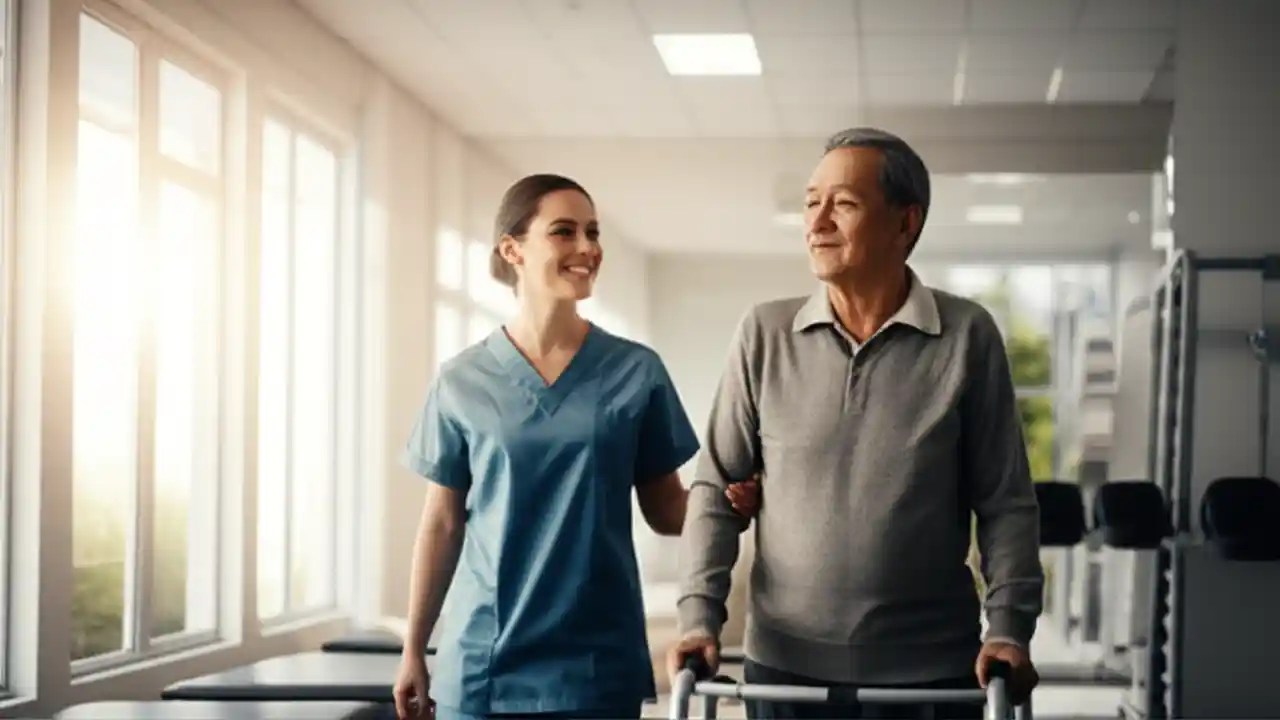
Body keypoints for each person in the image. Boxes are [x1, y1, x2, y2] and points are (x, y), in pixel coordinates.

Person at [667, 128, 1044, 719]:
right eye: (810, 202)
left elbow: (1005, 503)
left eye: (842, 203)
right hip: (783, 672)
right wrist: (698, 617)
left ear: (905, 223)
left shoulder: (967, 336)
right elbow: (715, 488)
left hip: (929, 673)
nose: (817, 223)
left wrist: (1009, 628)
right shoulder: (764, 334)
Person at [392, 173, 761, 720]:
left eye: (592, 232)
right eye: (564, 232)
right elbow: (442, 523)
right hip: (483, 662)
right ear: (512, 250)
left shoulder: (637, 372)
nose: (587, 248)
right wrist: (413, 650)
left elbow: (666, 511)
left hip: (594, 660)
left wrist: (732, 505)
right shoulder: (461, 380)